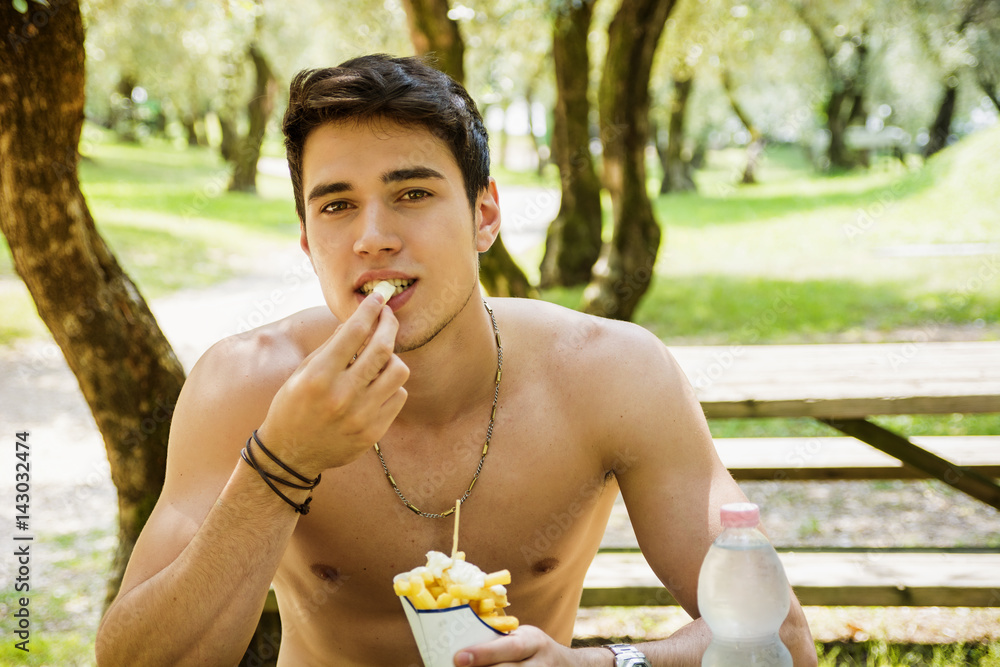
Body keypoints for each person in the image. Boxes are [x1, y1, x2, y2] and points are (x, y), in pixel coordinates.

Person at [95, 54, 817, 666]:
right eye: (337, 206)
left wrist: (603, 663)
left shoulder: (611, 373)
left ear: (486, 216)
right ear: (308, 241)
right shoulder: (243, 385)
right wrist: (280, 463)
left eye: (412, 193)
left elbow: (777, 636)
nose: (373, 236)